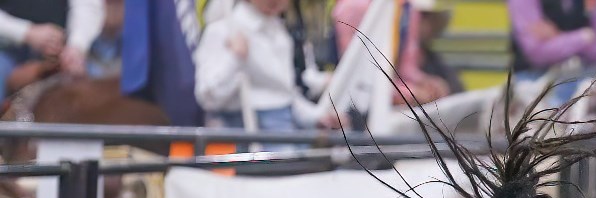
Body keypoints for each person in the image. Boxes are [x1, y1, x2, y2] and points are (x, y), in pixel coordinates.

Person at [193, 0, 334, 139]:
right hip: (246, 138)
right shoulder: (224, 31)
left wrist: (318, 116)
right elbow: (207, 96)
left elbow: (286, 94)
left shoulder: (280, 33)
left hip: (288, 135)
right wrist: (234, 59)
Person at [332, 0, 456, 105]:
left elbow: (406, 68)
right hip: (351, 103)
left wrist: (427, 83)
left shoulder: (407, 8)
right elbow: (358, 79)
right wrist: (411, 93)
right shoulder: (352, 9)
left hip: (385, 97)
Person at [509, 0, 596, 99]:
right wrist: (583, 37)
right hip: (534, 79)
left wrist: (556, 37)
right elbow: (536, 52)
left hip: (583, 77)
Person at [0, 0, 98, 90]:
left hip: (64, 49)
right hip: (8, 48)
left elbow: (87, 5)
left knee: (99, 82)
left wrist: (76, 46)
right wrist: (26, 32)